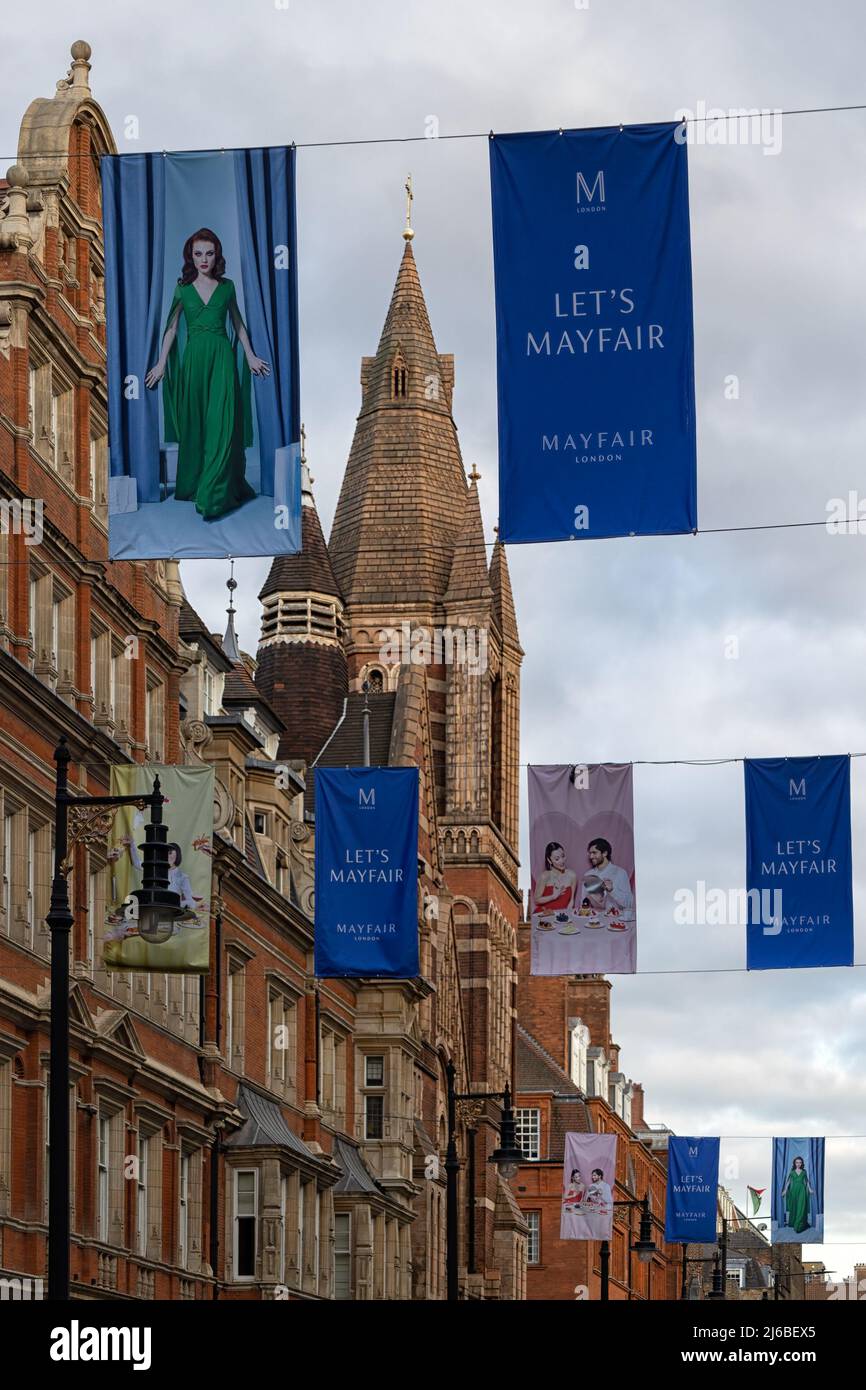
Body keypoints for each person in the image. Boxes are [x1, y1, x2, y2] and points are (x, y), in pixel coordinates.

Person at [146, 228, 270, 521]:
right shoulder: (182, 290)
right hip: (193, 364)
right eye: (198, 253)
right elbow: (172, 328)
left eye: (209, 253)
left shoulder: (227, 288)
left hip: (222, 361)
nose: (204, 259)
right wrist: (161, 363)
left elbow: (238, 324)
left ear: (217, 256)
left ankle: (214, 495)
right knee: (196, 425)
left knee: (221, 424)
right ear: (191, 256)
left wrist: (250, 356)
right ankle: (197, 483)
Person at [582, 837, 634, 915]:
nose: (591, 856)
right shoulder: (587, 875)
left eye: (594, 853)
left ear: (605, 853)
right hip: (593, 922)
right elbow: (583, 902)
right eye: (590, 853)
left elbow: (629, 904)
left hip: (615, 922)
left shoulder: (620, 873)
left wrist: (612, 891)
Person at [534, 842, 577, 915]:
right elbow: (536, 900)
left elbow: (571, 901)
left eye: (563, 856)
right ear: (549, 860)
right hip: (544, 914)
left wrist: (566, 916)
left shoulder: (572, 875)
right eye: (557, 859)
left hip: (562, 916)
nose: (562, 861)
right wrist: (553, 897)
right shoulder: (544, 876)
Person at [781, 1155, 814, 1234]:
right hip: (793, 1191)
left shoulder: (804, 1171)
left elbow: (806, 1181)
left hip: (802, 1190)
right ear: (794, 1163)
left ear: (802, 1163)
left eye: (800, 1162)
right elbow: (788, 1182)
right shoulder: (792, 1172)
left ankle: (798, 1227)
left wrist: (809, 1189)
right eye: (797, 1162)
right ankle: (793, 1223)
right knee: (794, 1207)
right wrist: (785, 1190)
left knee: (801, 1207)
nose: (798, 1164)